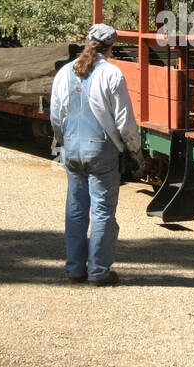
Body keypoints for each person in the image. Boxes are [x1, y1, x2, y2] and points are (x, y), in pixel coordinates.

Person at [50, 23, 141, 286]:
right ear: (111, 47)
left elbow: (56, 115)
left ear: (87, 41)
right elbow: (124, 121)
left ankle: (75, 269)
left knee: (76, 210)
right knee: (102, 211)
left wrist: (62, 140)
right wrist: (134, 150)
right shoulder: (112, 73)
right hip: (102, 150)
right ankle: (99, 271)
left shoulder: (65, 72)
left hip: (72, 149)